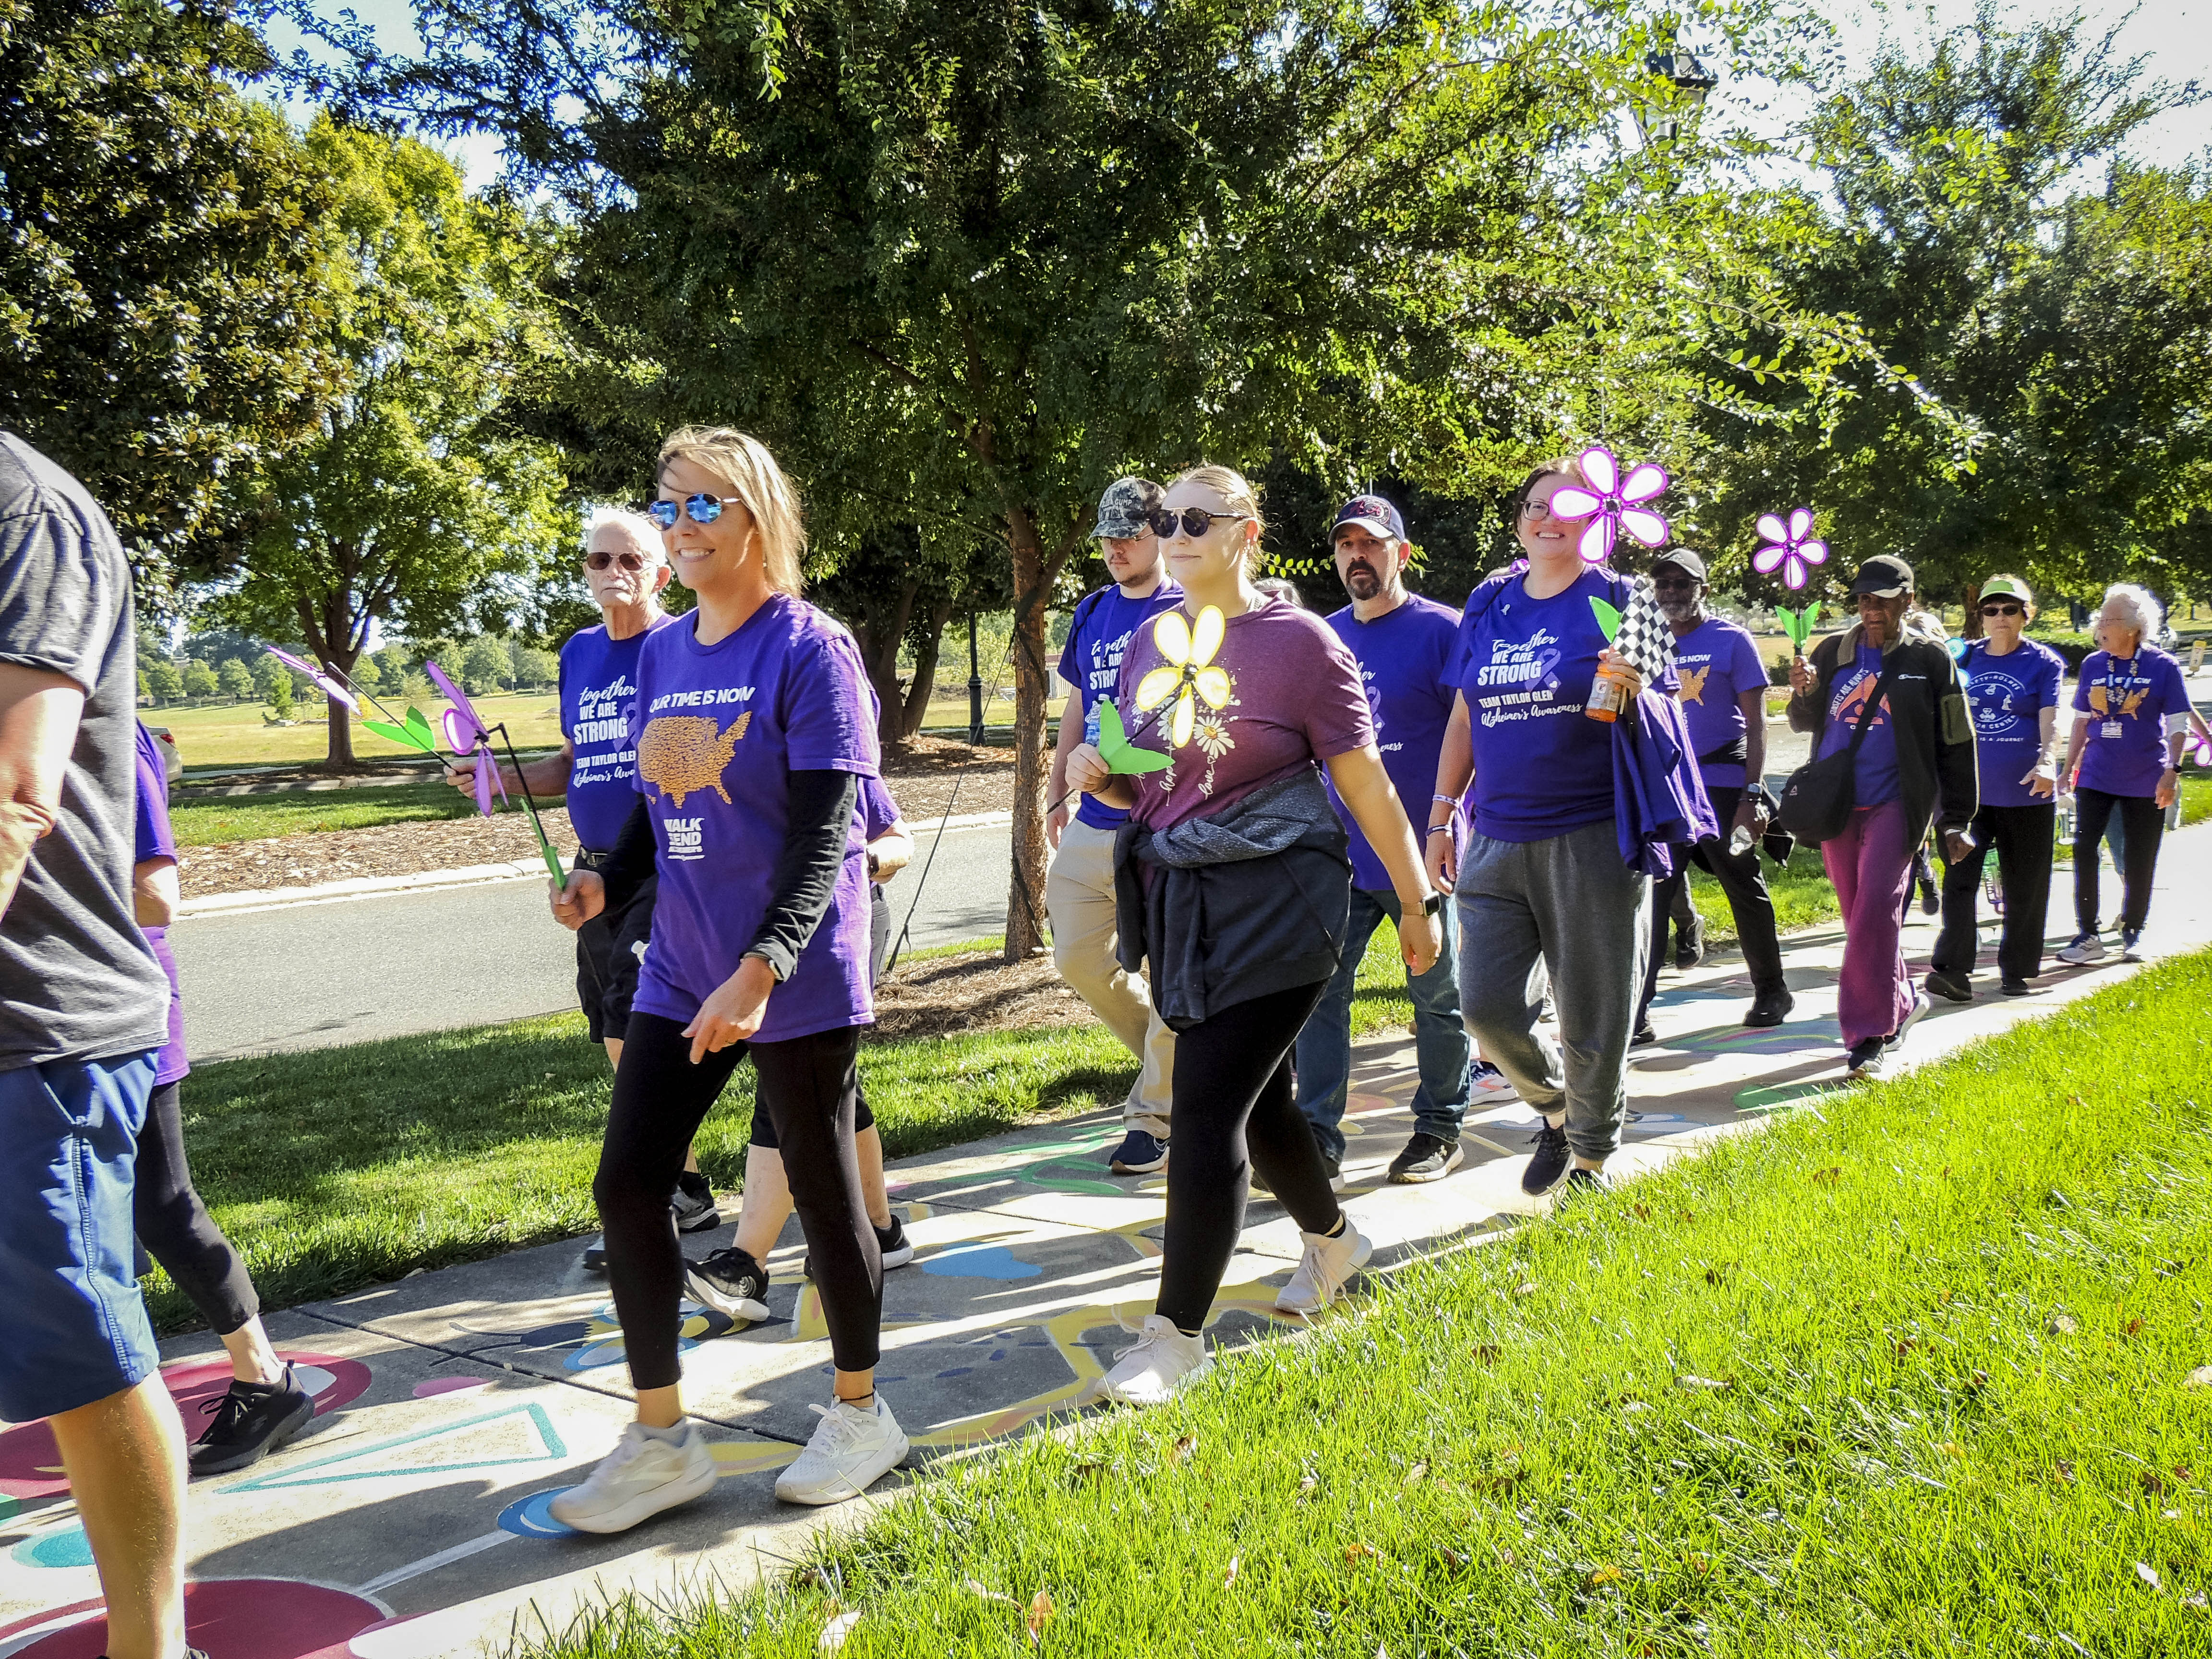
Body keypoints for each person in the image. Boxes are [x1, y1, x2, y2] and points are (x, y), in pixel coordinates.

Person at [548, 427, 901, 1527]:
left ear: (759, 519)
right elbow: (665, 807)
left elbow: (823, 835)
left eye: (706, 505)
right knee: (627, 1183)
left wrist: (763, 968)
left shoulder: (810, 648)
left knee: (824, 1188)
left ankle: (859, 1411)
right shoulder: (661, 653)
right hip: (681, 963)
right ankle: (662, 1438)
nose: (682, 525)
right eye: (671, 506)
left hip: (793, 971)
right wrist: (605, 874)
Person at [1064, 465, 1441, 1406]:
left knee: (1203, 1102)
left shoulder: (1301, 644)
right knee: (1262, 1101)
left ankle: (1174, 1337)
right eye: (1166, 520)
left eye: (1197, 519)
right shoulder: (1150, 638)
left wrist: (1417, 897)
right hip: (1186, 901)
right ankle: (1336, 1242)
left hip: (1285, 898)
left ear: (1248, 535)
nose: (1175, 531)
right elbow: (1154, 776)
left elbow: (1364, 784)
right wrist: (1100, 773)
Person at [0, 432, 199, 1659]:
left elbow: (16, 791)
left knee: (81, 1356)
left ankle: (151, 1645)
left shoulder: (25, 508)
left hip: (38, 1030)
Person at [448, 511, 717, 1268]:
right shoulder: (579, 654)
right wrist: (497, 777)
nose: (612, 572)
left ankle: (652, 1194)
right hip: (593, 866)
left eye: (630, 558)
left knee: (640, 1025)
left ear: (662, 569)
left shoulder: (681, 646)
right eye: (598, 559)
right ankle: (689, 1189)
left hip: (663, 864)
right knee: (610, 1026)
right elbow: (572, 764)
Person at [1423, 458, 1669, 1201]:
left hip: (1591, 831)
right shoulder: (1490, 600)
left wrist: (1627, 685)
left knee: (1594, 1009)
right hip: (1496, 834)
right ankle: (1557, 1107)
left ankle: (1592, 1158)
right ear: (1520, 520)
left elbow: (1655, 711)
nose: (1547, 517)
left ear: (1598, 519)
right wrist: (1440, 816)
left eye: (1567, 504)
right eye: (1535, 505)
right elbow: (1466, 711)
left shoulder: (1626, 598)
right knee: (1485, 1007)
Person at [130, 720, 315, 1473]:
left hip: (111, 1011)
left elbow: (155, 896)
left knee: (161, 1204)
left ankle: (263, 1377)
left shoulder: (106, 731)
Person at [1290, 493, 1476, 1185]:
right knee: (1320, 992)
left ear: (1400, 553)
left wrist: (1450, 824)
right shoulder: (1323, 636)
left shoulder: (1442, 632)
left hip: (1421, 855)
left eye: (1370, 544)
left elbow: (1471, 738)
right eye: (1345, 546)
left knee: (1435, 993)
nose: (1356, 557)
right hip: (1336, 855)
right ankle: (1317, 1136)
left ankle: (1438, 1128)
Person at [685, 778, 917, 1317]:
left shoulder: (825, 731)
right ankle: (881, 1231)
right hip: (749, 935)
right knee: (830, 1089)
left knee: (787, 1084)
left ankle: (747, 1264)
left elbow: (898, 838)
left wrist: (858, 863)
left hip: (834, 927)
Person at [1786, 554, 1977, 1078]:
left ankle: (1867, 1036)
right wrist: (1803, 692)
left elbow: (1957, 742)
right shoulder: (1833, 652)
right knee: (1859, 919)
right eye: (1865, 600)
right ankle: (1902, 1001)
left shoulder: (1932, 661)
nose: (1872, 610)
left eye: (1884, 600)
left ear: (1907, 601)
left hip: (1898, 803)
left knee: (1874, 913)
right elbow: (1806, 722)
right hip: (1837, 804)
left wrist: (1955, 818)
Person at [1046, 478, 1183, 1176]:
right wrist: (1053, 789)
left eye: (1131, 533)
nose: (1117, 546)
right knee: (1076, 955)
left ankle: (1155, 1115)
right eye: (1108, 535)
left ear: (1161, 533)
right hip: (1095, 814)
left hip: (1165, 818)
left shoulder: (1189, 605)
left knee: (1171, 972)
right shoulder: (1094, 609)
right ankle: (1182, 1073)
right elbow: (1079, 703)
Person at [1635, 549, 1791, 1034]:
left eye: (1683, 583)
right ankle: (1635, 1013)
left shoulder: (1732, 640)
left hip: (1724, 788)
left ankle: (1772, 991)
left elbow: (1758, 723)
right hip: (1668, 790)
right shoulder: (1645, 642)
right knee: (1653, 899)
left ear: (1703, 588)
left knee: (1743, 886)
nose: (1672, 593)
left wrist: (1754, 793)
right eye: (1663, 584)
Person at [1926, 575, 2064, 998]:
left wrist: (2047, 762)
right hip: (1967, 799)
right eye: (1991, 610)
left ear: (2028, 614)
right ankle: (1952, 971)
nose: (2000, 617)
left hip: (2027, 794)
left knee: (2026, 884)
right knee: (1959, 882)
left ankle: (2016, 971)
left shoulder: (2043, 663)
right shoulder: (1962, 658)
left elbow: (2052, 720)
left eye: (2010, 609)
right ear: (1980, 616)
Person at [2056, 583, 2190, 963]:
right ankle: (2088, 934)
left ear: (2134, 627)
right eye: (2101, 617)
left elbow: (2178, 722)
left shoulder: (2162, 667)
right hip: (2097, 775)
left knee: (2140, 856)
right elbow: (2082, 721)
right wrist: (2068, 770)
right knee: (2083, 849)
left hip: (2146, 777)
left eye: (2110, 619)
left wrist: (2173, 771)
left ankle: (2135, 929)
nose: (2101, 625)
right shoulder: (2094, 665)